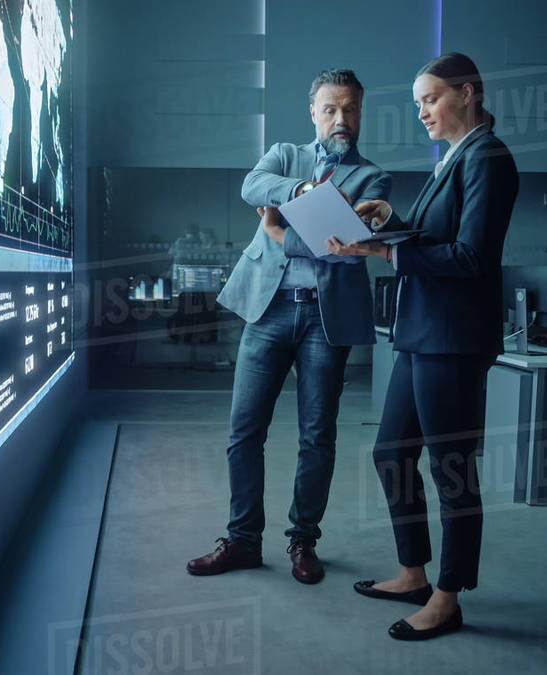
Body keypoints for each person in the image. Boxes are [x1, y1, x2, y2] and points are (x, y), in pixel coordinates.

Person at [325, 53, 519, 640]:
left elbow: (472, 257)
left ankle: (447, 596)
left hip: (452, 342)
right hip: (421, 335)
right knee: (391, 454)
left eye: (430, 100)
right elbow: (435, 236)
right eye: (417, 104)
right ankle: (413, 570)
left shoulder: (488, 157)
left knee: (451, 468)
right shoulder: (455, 158)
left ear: (467, 92)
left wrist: (380, 252)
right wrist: (388, 219)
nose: (422, 113)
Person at [186, 69, 392, 585]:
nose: (340, 119)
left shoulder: (373, 180)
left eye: (350, 109)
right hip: (268, 309)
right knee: (243, 432)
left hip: (327, 321)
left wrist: (278, 225)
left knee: (317, 437)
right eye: (330, 109)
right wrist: (304, 191)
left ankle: (303, 541)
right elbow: (251, 185)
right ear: (313, 112)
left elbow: (342, 249)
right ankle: (242, 541)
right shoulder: (283, 155)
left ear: (361, 112)